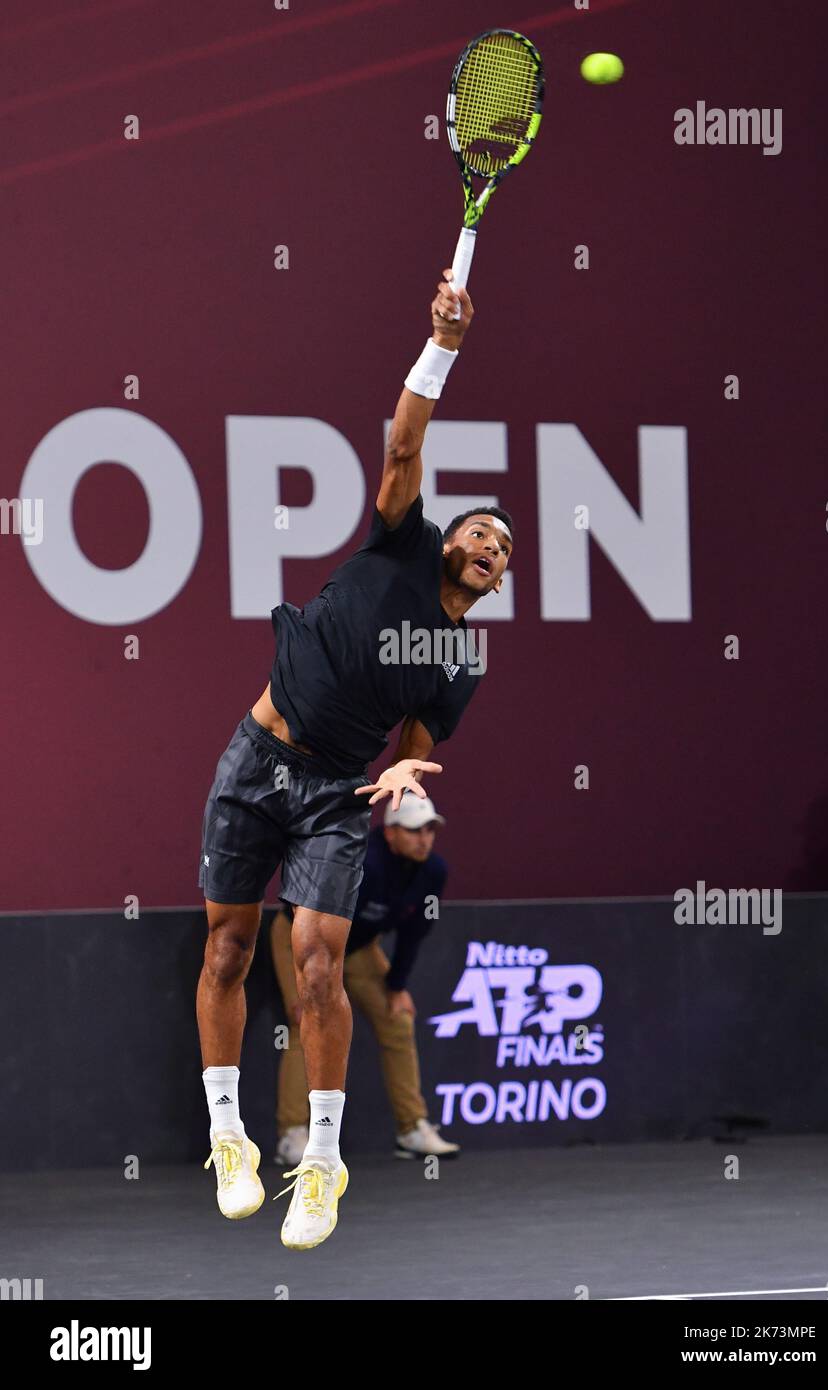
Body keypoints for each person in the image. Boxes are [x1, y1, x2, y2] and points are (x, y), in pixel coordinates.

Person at [196, 265, 514, 1251]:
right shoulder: (396, 539)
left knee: (319, 967)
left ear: (498, 581)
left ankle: (323, 1161)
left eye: (501, 549)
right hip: (258, 755)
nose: (485, 546)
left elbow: (419, 737)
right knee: (226, 951)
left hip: (336, 792)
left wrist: (408, 767)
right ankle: (231, 1140)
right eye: (475, 530)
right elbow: (406, 435)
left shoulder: (461, 656)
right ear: (444, 536)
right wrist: (443, 345)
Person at [271, 791, 459, 1168]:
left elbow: (414, 932)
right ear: (390, 833)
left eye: (429, 830)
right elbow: (317, 919)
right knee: (306, 1021)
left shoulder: (433, 871)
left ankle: (412, 1129)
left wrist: (397, 986)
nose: (424, 838)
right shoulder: (362, 862)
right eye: (414, 830)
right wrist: (318, 986)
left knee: (398, 1019)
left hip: (355, 946)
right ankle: (293, 1135)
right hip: (303, 937)